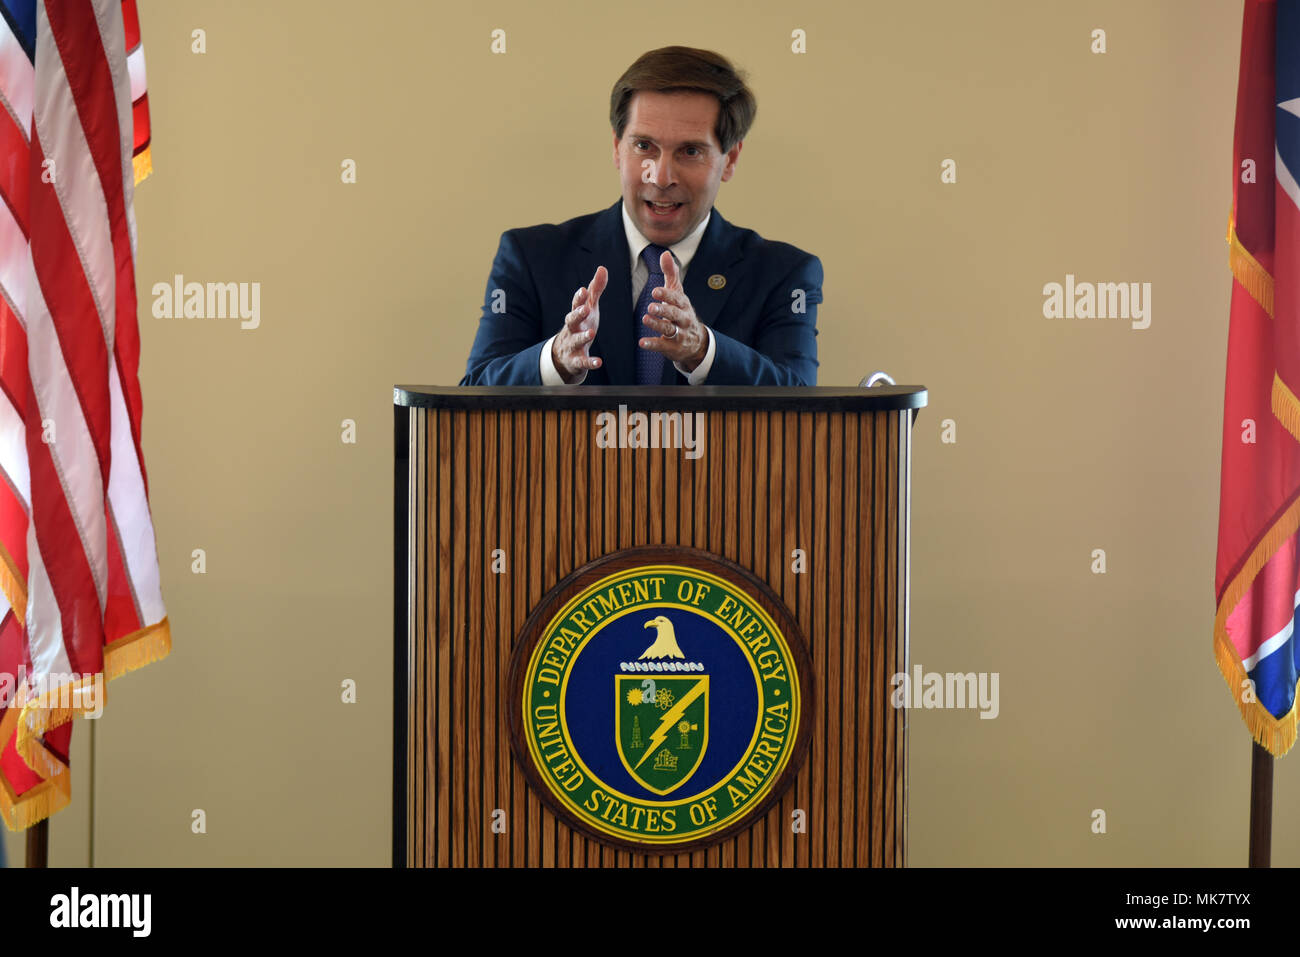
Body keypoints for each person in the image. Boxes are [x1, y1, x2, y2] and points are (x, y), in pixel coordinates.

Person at [459, 46, 821, 387]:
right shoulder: (529, 256)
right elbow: (472, 391)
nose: (661, 177)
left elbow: (804, 405)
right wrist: (554, 360)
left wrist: (702, 351)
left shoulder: (784, 274)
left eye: (690, 151)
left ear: (731, 159)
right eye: (644, 146)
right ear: (618, 148)